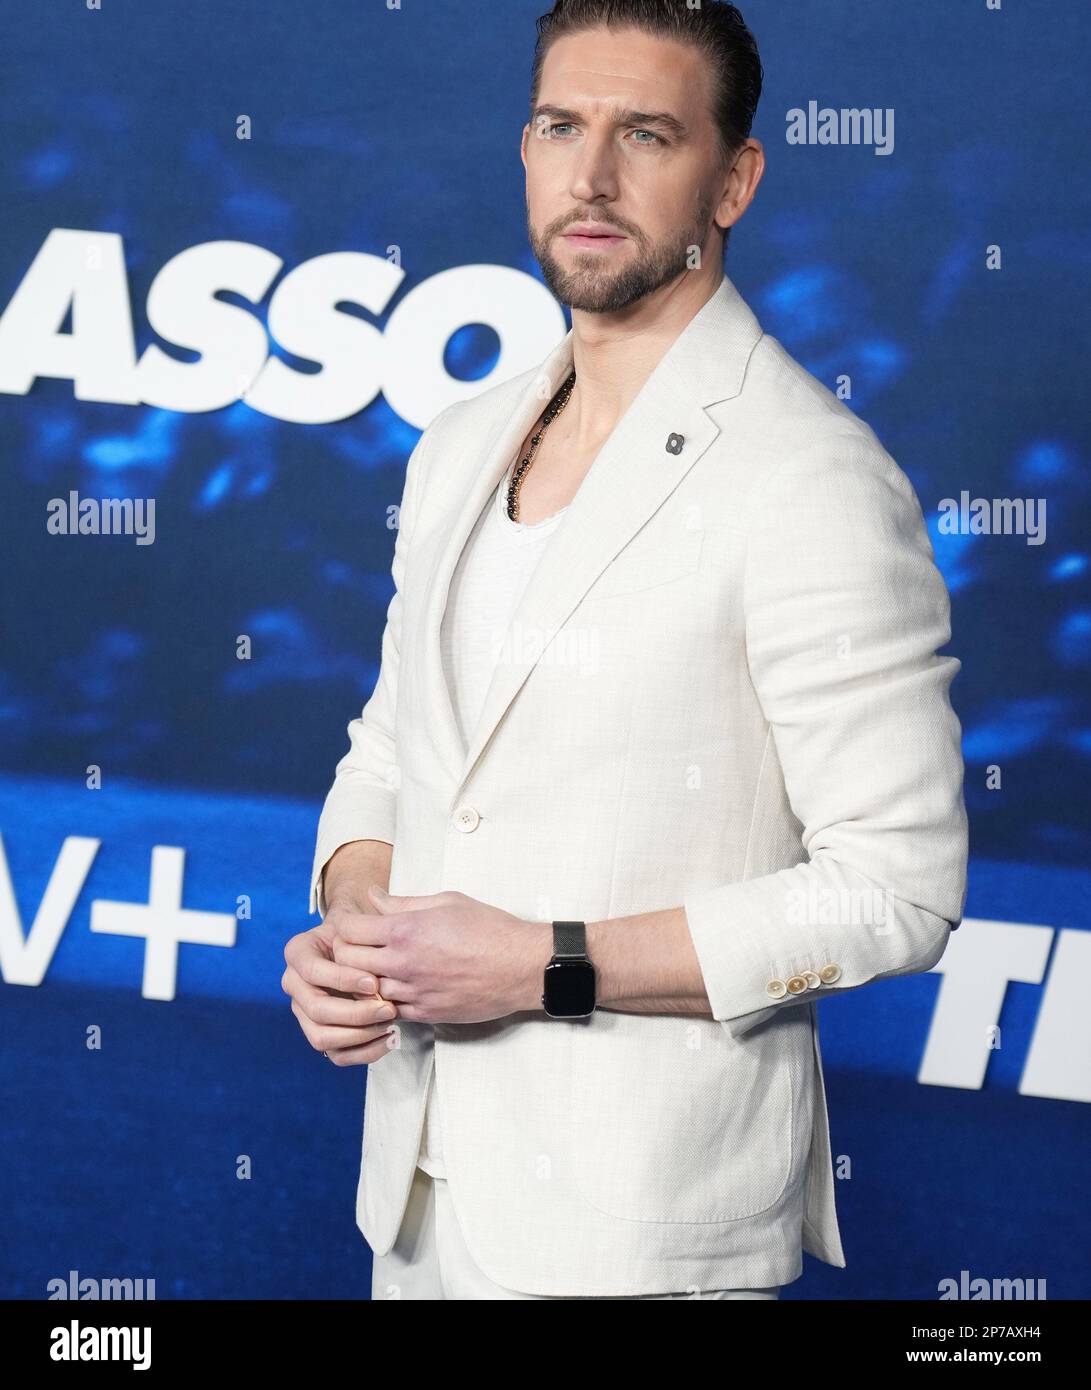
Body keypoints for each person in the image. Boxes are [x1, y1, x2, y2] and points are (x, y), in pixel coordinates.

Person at [283, 0, 968, 1300]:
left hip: (641, 1232)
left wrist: (549, 960)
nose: (590, 176)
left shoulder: (809, 478)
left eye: (646, 134)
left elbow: (897, 890)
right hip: (417, 1195)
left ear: (736, 176)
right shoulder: (460, 441)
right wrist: (354, 915)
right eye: (561, 125)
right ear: (525, 148)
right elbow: (395, 747)